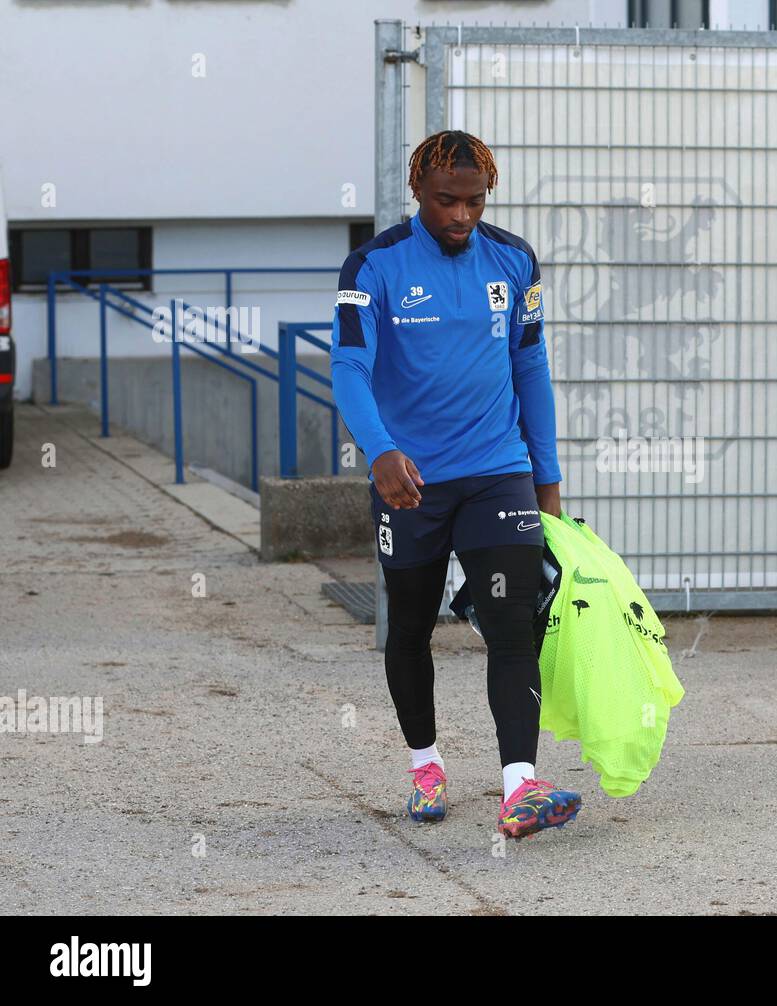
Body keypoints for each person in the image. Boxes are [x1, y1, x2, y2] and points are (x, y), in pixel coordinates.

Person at [329, 130, 580, 840]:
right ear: (417, 191)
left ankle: (520, 787)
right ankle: (426, 766)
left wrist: (546, 477)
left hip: (497, 473)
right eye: (447, 201)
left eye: (474, 201)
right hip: (409, 483)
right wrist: (379, 451)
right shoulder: (372, 266)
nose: (462, 216)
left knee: (512, 625)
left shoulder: (514, 259)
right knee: (410, 627)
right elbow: (349, 367)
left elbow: (530, 367)